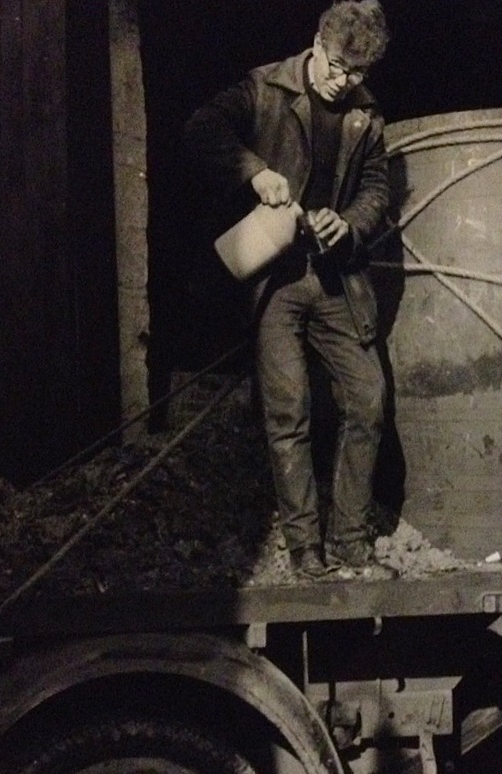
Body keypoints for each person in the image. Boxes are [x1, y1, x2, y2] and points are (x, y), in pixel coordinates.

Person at [183, 1, 391, 577]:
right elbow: (201, 129)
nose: (342, 81)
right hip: (275, 281)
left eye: (356, 73)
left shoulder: (366, 114)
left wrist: (349, 224)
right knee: (289, 409)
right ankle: (305, 547)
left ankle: (350, 539)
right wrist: (254, 170)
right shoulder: (265, 88)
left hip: (334, 277)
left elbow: (377, 189)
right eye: (336, 66)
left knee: (368, 397)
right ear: (317, 44)